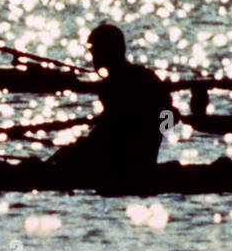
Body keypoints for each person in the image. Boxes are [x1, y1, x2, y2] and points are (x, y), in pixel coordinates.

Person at [47, 24, 173, 179]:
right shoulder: (142, 76)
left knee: (59, 159)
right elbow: (169, 116)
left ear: (108, 50)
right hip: (138, 158)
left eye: (95, 49)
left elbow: (108, 134)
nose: (92, 55)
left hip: (121, 163)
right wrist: (154, 134)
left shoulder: (116, 84)